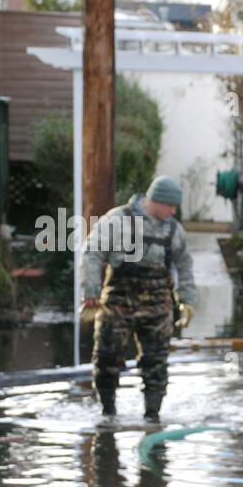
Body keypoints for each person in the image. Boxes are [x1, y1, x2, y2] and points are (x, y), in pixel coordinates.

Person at [80, 175, 196, 422]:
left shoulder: (174, 230)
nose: (174, 211)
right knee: (107, 359)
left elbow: (184, 265)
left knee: (156, 364)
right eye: (171, 206)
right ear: (155, 200)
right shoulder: (117, 220)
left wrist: (186, 301)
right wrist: (90, 293)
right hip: (118, 303)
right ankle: (107, 413)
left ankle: (152, 417)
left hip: (157, 306)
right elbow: (92, 253)